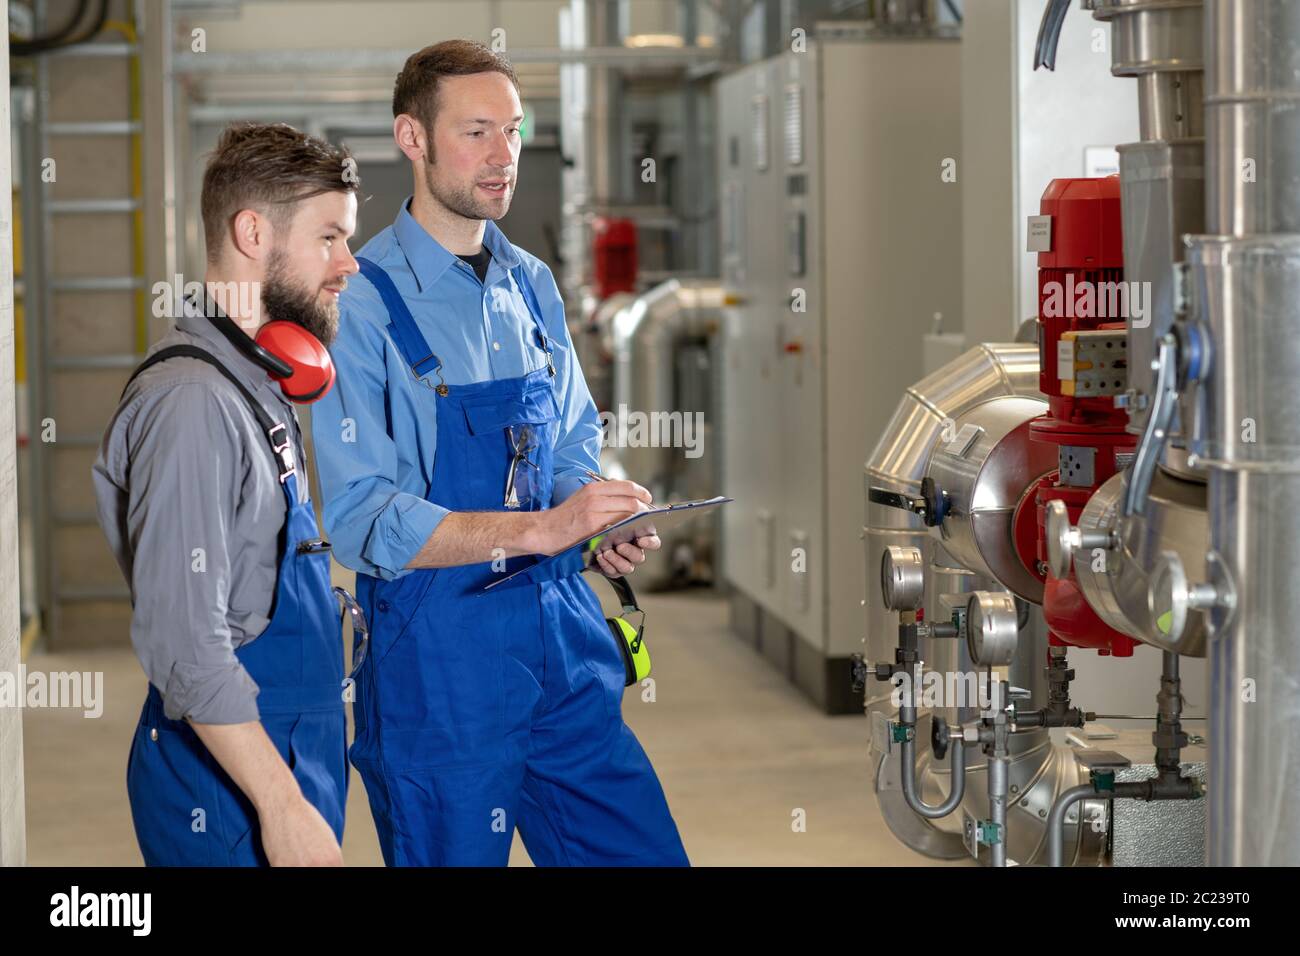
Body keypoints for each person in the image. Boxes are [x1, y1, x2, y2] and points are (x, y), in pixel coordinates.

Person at [310, 40, 689, 866]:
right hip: (439, 667)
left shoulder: (533, 285)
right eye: (476, 132)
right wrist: (538, 531)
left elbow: (572, 441)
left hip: (564, 643)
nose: (503, 157)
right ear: (412, 138)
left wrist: (592, 517)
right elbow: (360, 515)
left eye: (514, 131)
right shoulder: (360, 303)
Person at [92, 122, 361, 866]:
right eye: (330, 239)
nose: (349, 265)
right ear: (253, 231)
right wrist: (281, 808)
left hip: (279, 761)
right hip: (229, 796)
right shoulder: (193, 404)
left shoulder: (254, 386)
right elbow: (185, 642)